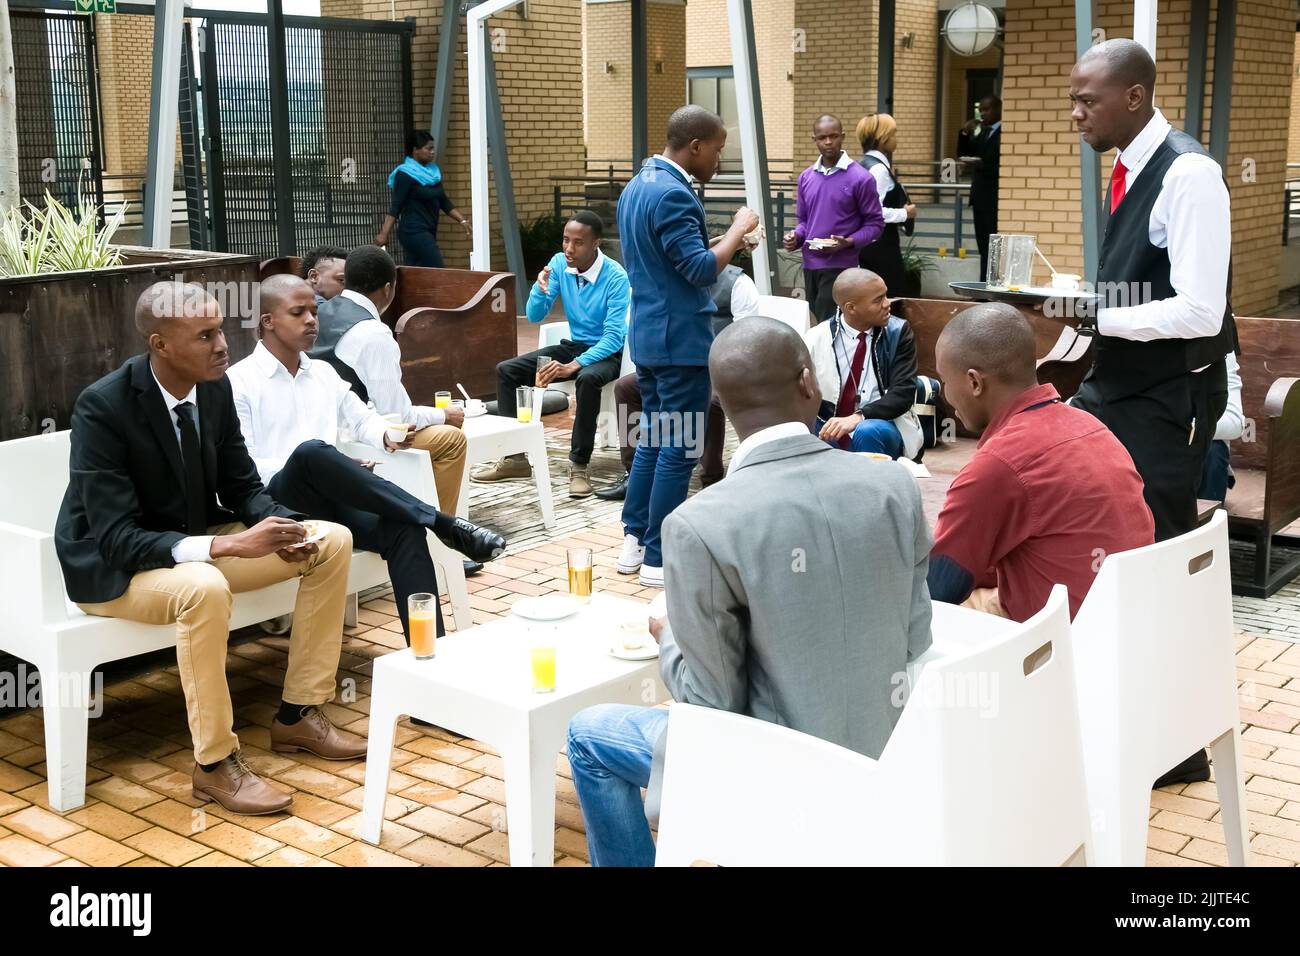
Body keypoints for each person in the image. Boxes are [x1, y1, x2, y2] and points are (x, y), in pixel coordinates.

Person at [566, 317, 933, 866]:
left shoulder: (698, 523)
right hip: (892, 750)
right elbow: (916, 636)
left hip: (774, 770)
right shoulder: (893, 484)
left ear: (721, 400)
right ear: (809, 383)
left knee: (587, 732)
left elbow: (711, 703)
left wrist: (668, 636)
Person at [55, 281, 367, 816]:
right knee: (203, 586)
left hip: (192, 550)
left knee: (329, 540)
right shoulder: (103, 407)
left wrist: (285, 526)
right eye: (205, 335)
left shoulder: (214, 388)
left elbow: (242, 484)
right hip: (114, 571)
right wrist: (226, 545)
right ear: (160, 344)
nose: (222, 344)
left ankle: (297, 716)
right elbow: (115, 537)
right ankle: (215, 765)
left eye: (220, 329)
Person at [227, 274, 506, 648]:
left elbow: (362, 419)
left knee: (404, 530)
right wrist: (329, 466)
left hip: (329, 505)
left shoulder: (323, 374)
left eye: (314, 310)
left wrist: (386, 435)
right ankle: (444, 523)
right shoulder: (239, 381)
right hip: (277, 505)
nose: (312, 320)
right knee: (311, 452)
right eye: (298, 312)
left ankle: (430, 658)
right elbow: (245, 465)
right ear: (267, 322)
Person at [1067, 40, 1236, 546]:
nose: (1077, 114)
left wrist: (1096, 318)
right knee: (1096, 516)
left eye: (1088, 101)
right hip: (1115, 382)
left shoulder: (1189, 173)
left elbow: (1203, 312)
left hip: (1172, 392)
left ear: (1135, 96)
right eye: (1073, 100)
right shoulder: (1127, 166)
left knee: (1159, 537)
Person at [927, 302, 1154, 622]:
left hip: (1059, 643)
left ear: (975, 383)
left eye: (944, 381)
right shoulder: (1093, 428)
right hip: (1126, 622)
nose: (945, 395)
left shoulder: (998, 465)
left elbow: (937, 590)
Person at [615, 105, 759, 587]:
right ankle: (660, 558)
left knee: (654, 440)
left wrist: (724, 243)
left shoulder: (639, 185)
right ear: (694, 145)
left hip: (650, 338)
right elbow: (698, 271)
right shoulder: (676, 194)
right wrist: (738, 231)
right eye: (718, 150)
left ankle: (634, 542)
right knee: (677, 447)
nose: (720, 159)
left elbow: (671, 257)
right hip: (681, 343)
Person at [309, 245, 478, 571]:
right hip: (354, 439)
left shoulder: (322, 313)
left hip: (323, 433)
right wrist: (445, 414)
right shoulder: (372, 332)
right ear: (388, 288)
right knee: (450, 440)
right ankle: (439, 544)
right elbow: (397, 417)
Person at [472, 211, 629, 498]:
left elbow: (613, 337)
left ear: (596, 243)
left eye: (578, 242)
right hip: (575, 344)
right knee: (507, 370)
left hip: (608, 352)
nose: (569, 249)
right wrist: (539, 288)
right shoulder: (559, 264)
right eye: (565, 240)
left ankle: (579, 465)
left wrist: (573, 366)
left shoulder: (616, 277)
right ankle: (514, 457)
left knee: (588, 379)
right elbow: (534, 316)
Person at [595, 264, 761, 500]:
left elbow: (745, 340)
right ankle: (635, 474)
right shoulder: (667, 276)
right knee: (627, 387)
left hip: (720, 370)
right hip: (673, 365)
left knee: (710, 400)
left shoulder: (737, 283)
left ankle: (711, 480)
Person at [805, 268, 922, 459]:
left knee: (867, 431)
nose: (887, 304)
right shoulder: (817, 337)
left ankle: (872, 487)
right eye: (878, 300)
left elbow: (903, 393)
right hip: (830, 425)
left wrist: (859, 417)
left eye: (886, 296)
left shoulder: (898, 332)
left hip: (880, 423)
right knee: (804, 429)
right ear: (851, 308)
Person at [783, 114, 885, 323]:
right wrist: (796, 237)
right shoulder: (806, 177)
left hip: (841, 266)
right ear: (814, 139)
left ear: (843, 137)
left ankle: (832, 356)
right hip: (810, 264)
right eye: (822, 138)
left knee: (828, 323)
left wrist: (847, 242)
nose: (828, 142)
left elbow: (875, 224)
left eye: (833, 136)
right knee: (822, 320)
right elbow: (804, 220)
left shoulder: (861, 178)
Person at [374, 130, 472, 268]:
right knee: (437, 268)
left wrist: (462, 220)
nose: (432, 152)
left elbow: (444, 201)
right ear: (415, 150)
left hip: (429, 229)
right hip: (413, 231)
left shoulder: (433, 173)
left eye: (433, 148)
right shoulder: (405, 174)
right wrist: (384, 234)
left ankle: (402, 290)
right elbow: (395, 207)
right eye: (428, 148)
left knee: (416, 272)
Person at [855, 113, 917, 297]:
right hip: (881, 246)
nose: (896, 138)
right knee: (891, 295)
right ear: (882, 139)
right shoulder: (879, 169)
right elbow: (874, 211)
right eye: (893, 133)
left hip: (867, 244)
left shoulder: (861, 165)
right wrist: (905, 213)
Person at [957, 95, 1001, 279]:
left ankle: (991, 285)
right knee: (983, 246)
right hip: (979, 197)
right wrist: (965, 133)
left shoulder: (1004, 133)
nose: (983, 113)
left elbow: (1003, 165)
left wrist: (982, 165)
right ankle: (984, 286)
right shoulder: (983, 131)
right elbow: (963, 153)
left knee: (993, 246)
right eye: (981, 109)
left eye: (987, 109)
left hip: (993, 197)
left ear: (999, 109)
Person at [1198, 350, 1243, 503]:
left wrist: (1181, 428)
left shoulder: (1221, 349)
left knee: (1212, 449)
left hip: (1202, 454)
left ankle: (1207, 523)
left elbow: (1235, 422)